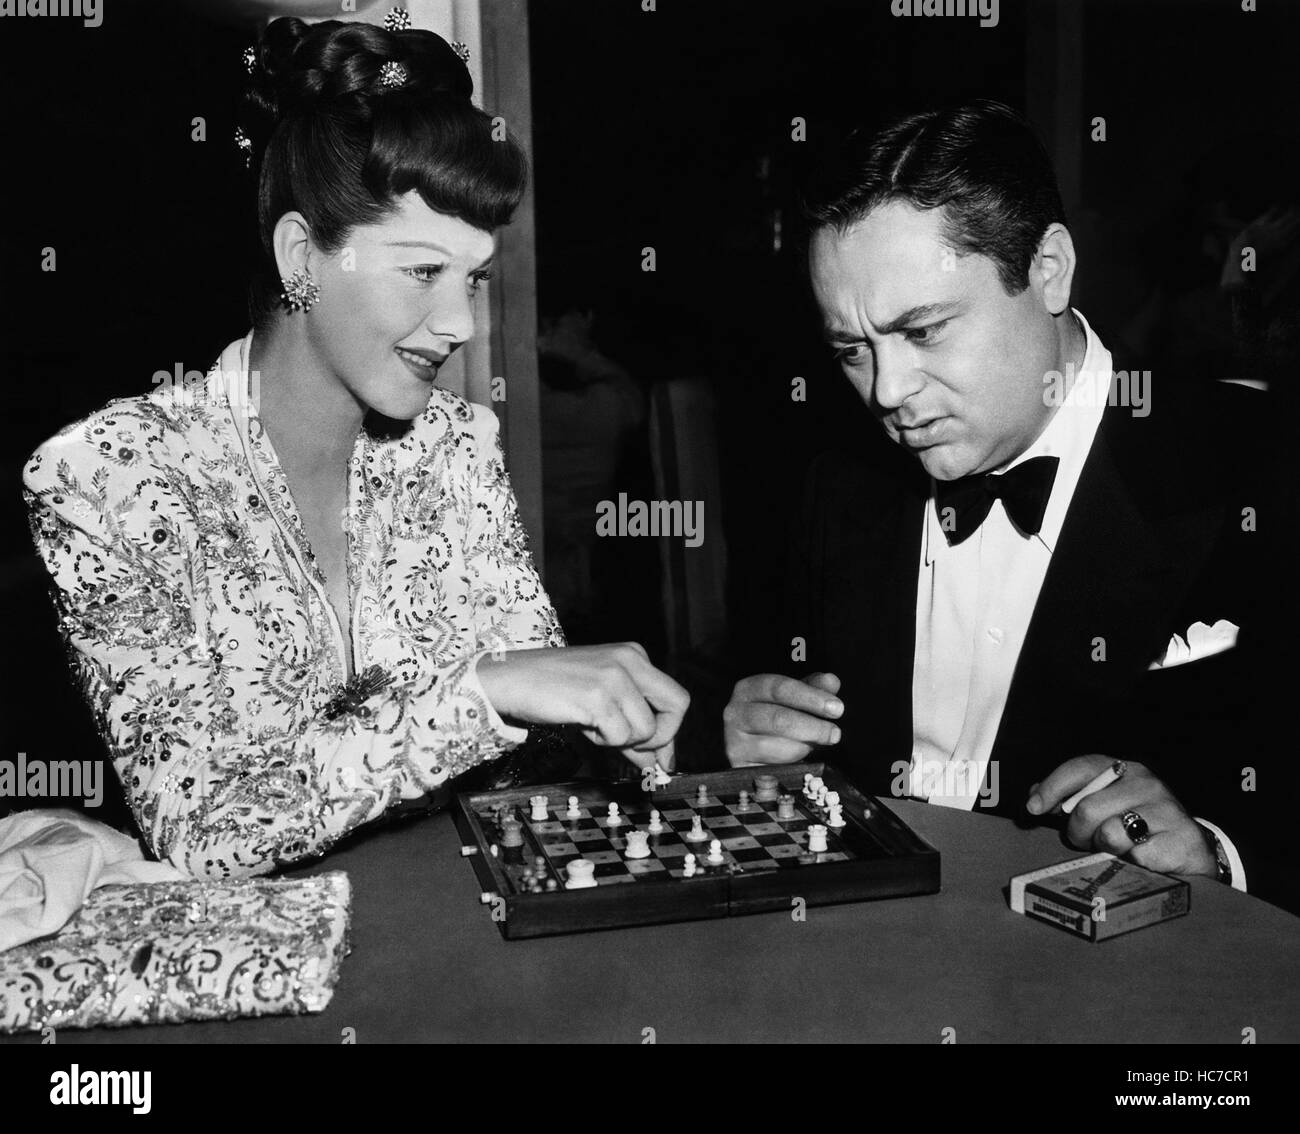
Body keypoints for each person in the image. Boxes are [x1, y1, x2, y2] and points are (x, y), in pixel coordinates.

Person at [21, 17, 687, 880]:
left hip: (460, 938)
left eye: (473, 279)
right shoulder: (106, 473)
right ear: (302, 257)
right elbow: (203, 829)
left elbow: (539, 731)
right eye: (422, 272)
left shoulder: (458, 444)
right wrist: (481, 691)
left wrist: (617, 735)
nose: (458, 323)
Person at [724, 101, 1293, 909]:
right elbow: (799, 766)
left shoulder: (1255, 470)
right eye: (853, 350)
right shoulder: (834, 485)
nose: (888, 393)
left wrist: (1219, 854)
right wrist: (745, 751)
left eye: (923, 332)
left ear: (1049, 269)